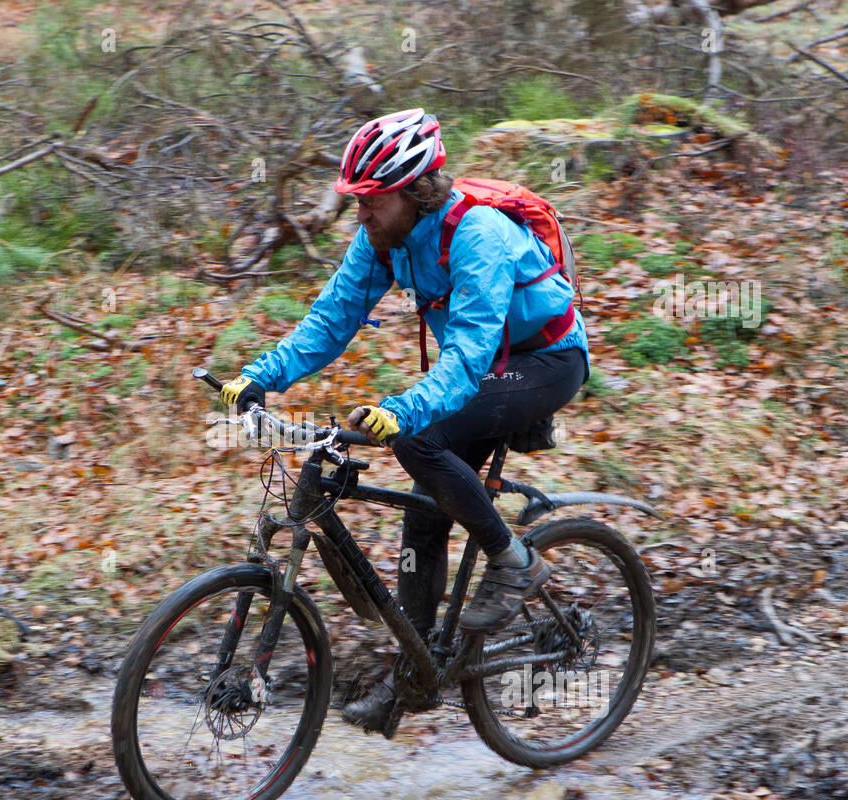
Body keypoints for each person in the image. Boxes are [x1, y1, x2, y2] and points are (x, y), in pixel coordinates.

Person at [219, 108, 591, 735]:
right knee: (424, 512)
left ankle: (515, 560)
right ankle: (415, 676)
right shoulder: (381, 239)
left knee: (416, 435)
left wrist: (401, 411)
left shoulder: (477, 235)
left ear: (415, 192)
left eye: (370, 201)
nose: (358, 214)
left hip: (545, 363)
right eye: (355, 201)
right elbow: (332, 319)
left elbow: (470, 353)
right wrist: (262, 375)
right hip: (484, 369)